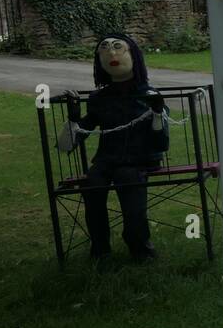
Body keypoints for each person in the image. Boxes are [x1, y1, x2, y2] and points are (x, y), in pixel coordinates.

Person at [57, 34, 170, 261]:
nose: (112, 53)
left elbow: (161, 143)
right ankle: (100, 249)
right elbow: (65, 145)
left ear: (134, 56)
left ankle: (140, 247)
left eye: (119, 48)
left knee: (129, 184)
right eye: (104, 49)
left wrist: (157, 113)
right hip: (106, 160)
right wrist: (73, 119)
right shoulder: (100, 98)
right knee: (92, 185)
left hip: (138, 160)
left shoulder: (148, 95)